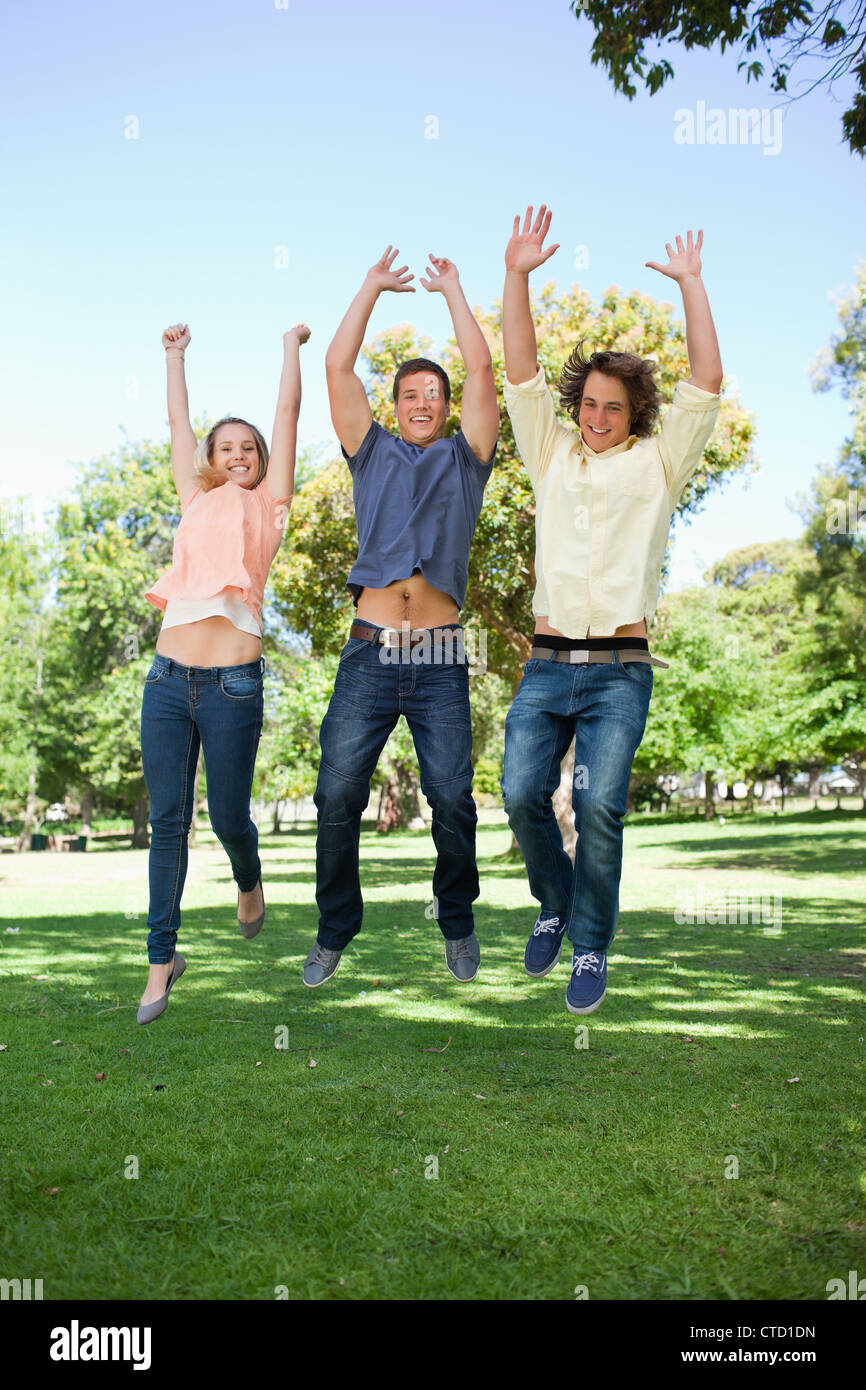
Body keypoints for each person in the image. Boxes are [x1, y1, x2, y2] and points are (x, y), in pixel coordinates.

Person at [500, 207, 722, 1016]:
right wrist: (517, 274)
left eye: (612, 409)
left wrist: (692, 285)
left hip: (621, 674)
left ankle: (590, 945)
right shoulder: (550, 451)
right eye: (588, 404)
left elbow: (705, 383)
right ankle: (552, 901)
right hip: (547, 665)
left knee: (598, 803)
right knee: (522, 793)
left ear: (635, 417)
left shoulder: (660, 464)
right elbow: (519, 371)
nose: (596, 418)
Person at [304, 246, 499, 988]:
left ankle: (456, 922)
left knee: (451, 794)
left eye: (434, 395)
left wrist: (453, 287)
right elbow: (335, 367)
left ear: (447, 409)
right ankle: (334, 930)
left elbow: (483, 373)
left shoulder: (465, 459)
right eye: (410, 393)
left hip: (442, 656)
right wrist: (371, 288)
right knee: (337, 793)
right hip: (370, 651)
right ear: (395, 406)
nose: (423, 403)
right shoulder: (371, 451)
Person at [137, 320, 309, 1024]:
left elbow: (289, 415)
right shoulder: (194, 496)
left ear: (260, 460)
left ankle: (249, 878)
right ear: (210, 459)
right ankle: (159, 963)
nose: (237, 455)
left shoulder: (270, 505)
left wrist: (290, 352)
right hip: (167, 680)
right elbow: (177, 419)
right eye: (225, 447)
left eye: (248, 448)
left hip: (235, 686)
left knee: (229, 816)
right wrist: (175, 357)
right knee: (169, 824)